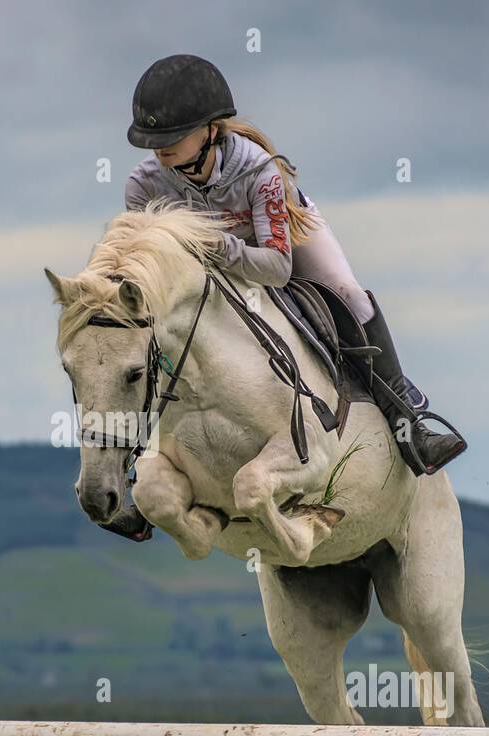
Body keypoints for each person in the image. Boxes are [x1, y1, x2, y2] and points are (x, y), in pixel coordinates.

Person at [122, 54, 466, 476]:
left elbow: (277, 269)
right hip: (210, 266)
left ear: (211, 130)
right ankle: (134, 461)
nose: (159, 147)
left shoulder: (260, 171)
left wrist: (219, 246)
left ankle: (407, 420)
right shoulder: (143, 186)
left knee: (346, 292)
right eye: (153, 138)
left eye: (175, 134)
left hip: (281, 243)